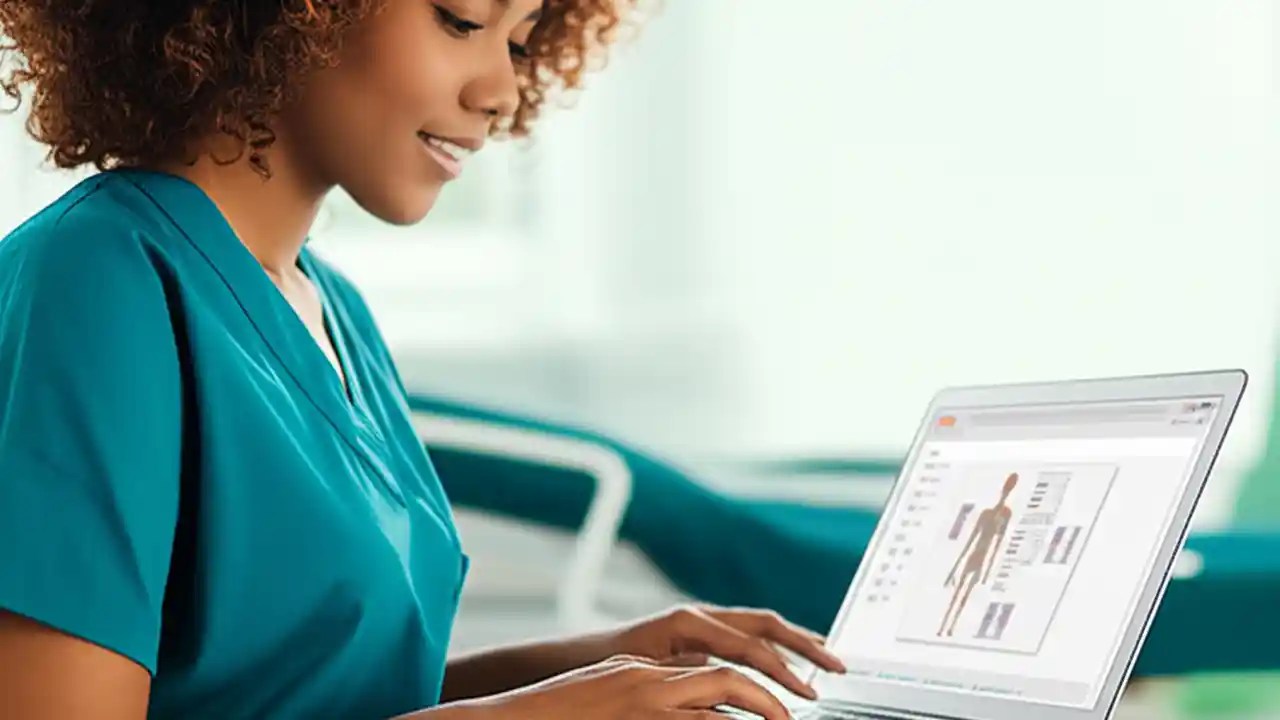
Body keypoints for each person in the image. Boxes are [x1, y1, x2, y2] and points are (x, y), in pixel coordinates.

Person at [0, 1, 846, 718]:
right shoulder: (99, 283)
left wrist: (606, 665)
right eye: (461, 20)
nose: (502, 91)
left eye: (517, 42)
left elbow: (324, 693)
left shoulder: (336, 314)